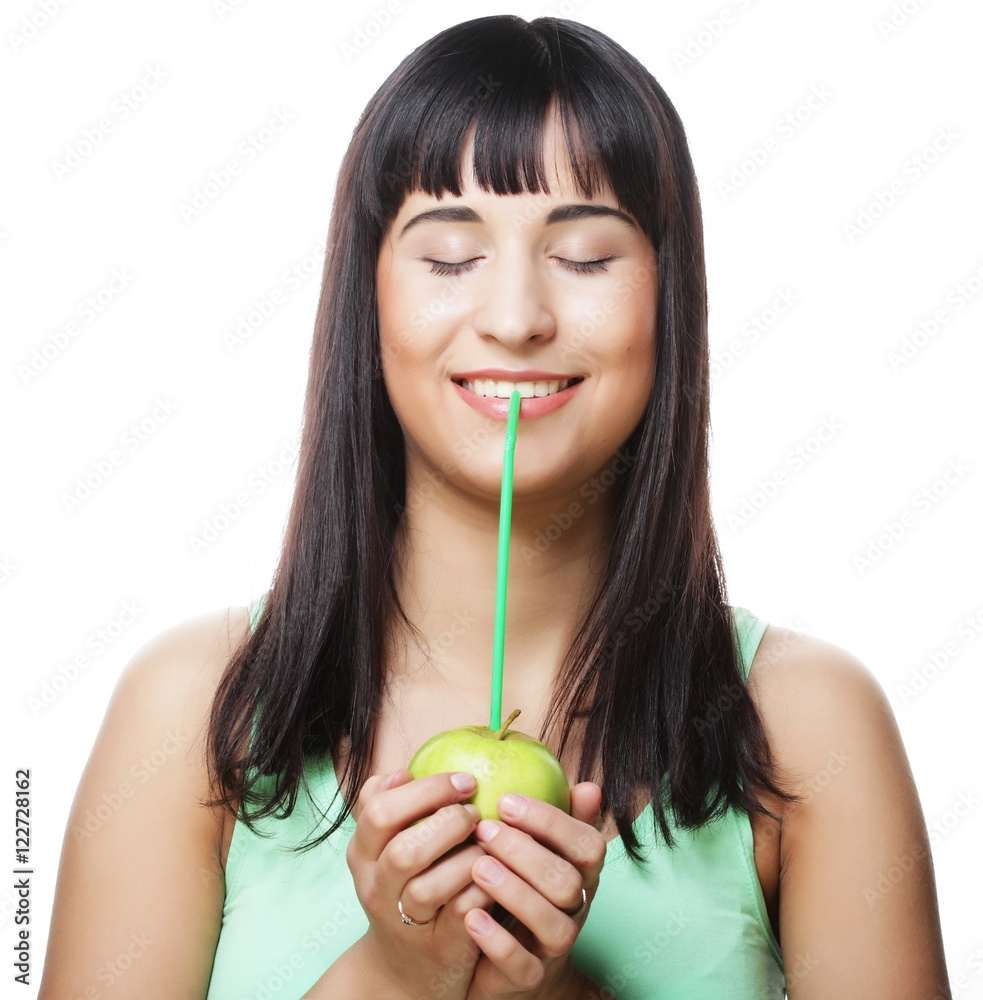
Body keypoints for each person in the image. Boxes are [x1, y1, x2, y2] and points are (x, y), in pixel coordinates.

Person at [39, 15, 951, 1000]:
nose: (515, 319)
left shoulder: (808, 725)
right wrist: (392, 978)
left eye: (586, 257)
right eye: (447, 257)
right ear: (367, 299)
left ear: (668, 299)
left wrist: (553, 990)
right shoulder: (193, 708)